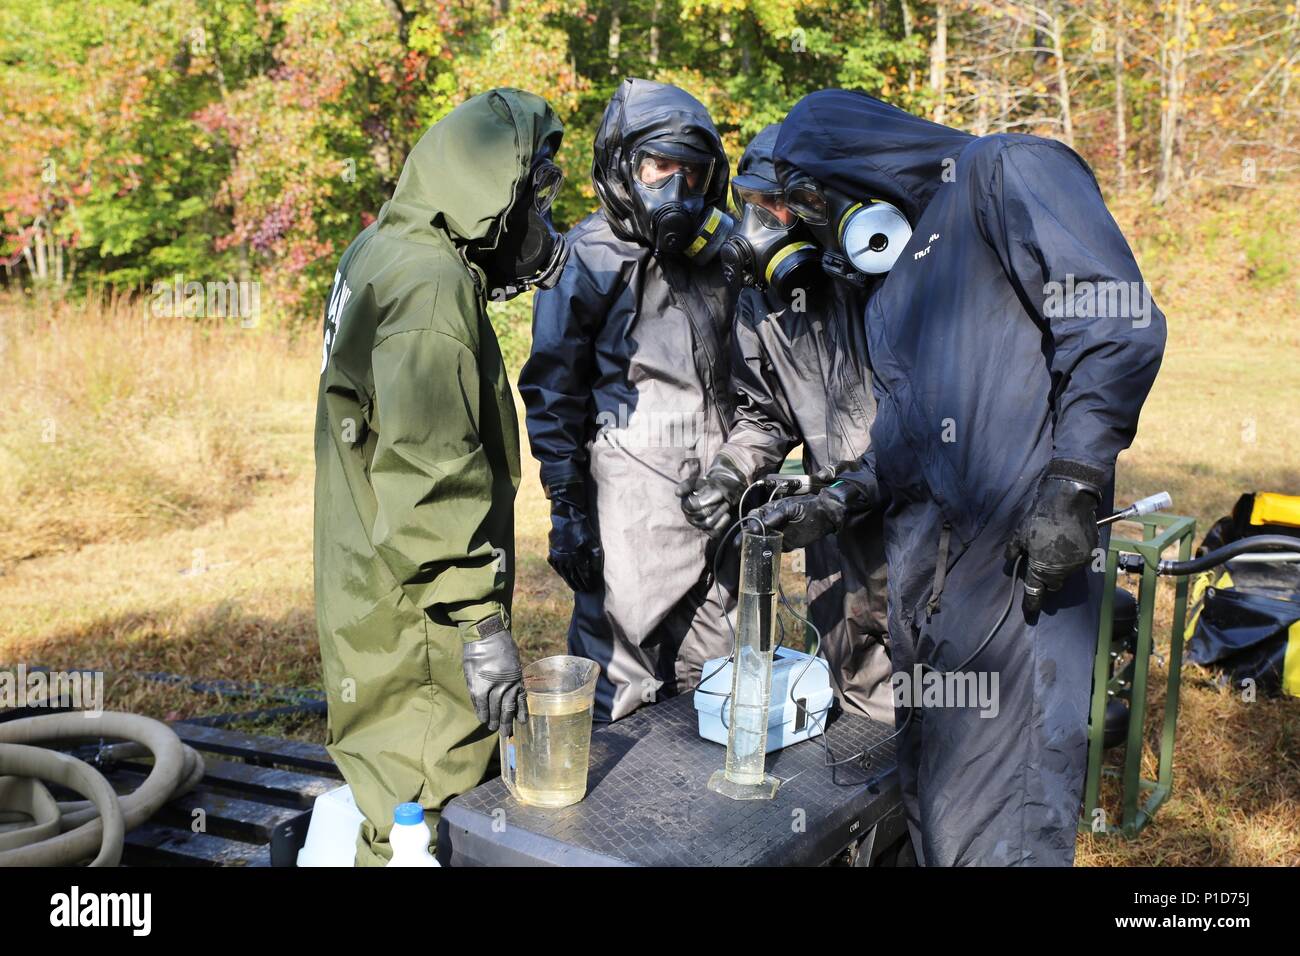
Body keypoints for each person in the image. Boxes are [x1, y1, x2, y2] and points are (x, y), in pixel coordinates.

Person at [756, 90, 1166, 866]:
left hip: (1018, 592)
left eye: (813, 199)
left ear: (860, 170)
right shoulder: (900, 284)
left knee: (1000, 829)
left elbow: (1115, 323)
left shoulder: (1006, 171)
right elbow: (905, 439)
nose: (810, 224)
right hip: (931, 599)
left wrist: (1075, 478)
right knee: (932, 811)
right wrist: (839, 497)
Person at [314, 89, 567, 865]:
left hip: (372, 589)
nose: (541, 216)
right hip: (423, 619)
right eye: (535, 192)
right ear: (490, 191)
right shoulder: (430, 286)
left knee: (389, 790)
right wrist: (482, 625)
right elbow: (429, 473)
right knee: (423, 817)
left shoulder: (380, 248)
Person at [519, 78, 738, 722]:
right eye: (659, 167)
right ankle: (607, 817)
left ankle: (709, 821)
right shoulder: (585, 257)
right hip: (630, 501)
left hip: (720, 494)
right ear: (623, 169)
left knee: (720, 680)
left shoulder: (721, 253)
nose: (677, 189)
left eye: (692, 174)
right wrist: (567, 508)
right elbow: (552, 391)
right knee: (620, 681)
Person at [677, 123, 893, 722]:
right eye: (750, 204)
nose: (759, 222)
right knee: (858, 696)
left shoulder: (886, 282)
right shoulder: (762, 302)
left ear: (820, 207)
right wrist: (728, 473)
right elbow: (763, 417)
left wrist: (848, 496)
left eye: (777, 204)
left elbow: (934, 425)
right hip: (832, 535)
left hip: (919, 533)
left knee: (943, 703)